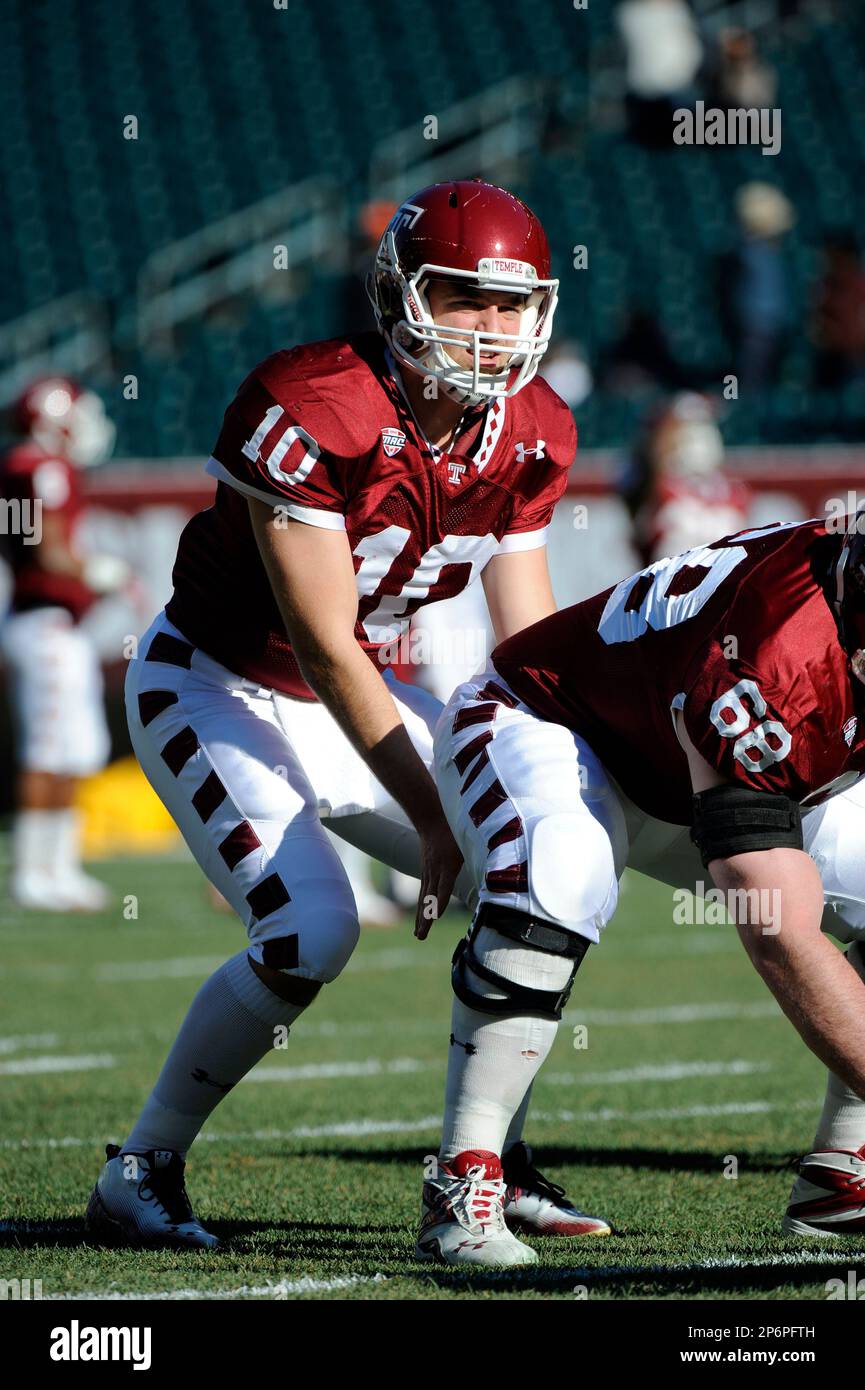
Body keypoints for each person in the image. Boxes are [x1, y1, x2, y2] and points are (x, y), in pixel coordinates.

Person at [84, 178, 611, 1248]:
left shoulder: (534, 429)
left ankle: (485, 1159)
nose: (492, 327)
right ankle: (139, 1169)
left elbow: (531, 645)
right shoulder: (311, 404)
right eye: (463, 296)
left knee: (545, 872)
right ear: (401, 293)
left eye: (511, 303)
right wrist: (430, 812)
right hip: (213, 684)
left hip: (347, 695)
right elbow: (326, 644)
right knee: (311, 930)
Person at [418, 514, 865, 1265]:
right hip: (552, 726)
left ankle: (839, 1177)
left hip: (694, 760)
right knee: (560, 874)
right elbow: (776, 928)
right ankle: (463, 1179)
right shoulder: (774, 660)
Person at [0, 376, 124, 910]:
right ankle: (33, 871)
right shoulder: (37, 466)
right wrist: (94, 570)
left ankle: (61, 867)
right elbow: (44, 548)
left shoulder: (36, 466)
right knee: (48, 747)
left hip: (55, 626)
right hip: (42, 622)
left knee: (75, 747)